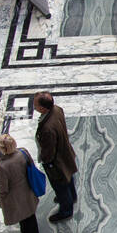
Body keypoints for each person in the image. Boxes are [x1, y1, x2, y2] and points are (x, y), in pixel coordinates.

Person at [32, 91, 78, 222]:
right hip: (65, 153)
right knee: (68, 176)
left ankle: (66, 210)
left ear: (43, 108)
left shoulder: (47, 129)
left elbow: (49, 151)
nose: (34, 107)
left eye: (35, 105)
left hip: (57, 162)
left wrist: (46, 162)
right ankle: (72, 196)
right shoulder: (57, 109)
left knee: (60, 186)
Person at [0, 134, 40, 233]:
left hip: (15, 195)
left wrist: (1, 198)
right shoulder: (23, 152)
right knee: (30, 213)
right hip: (28, 189)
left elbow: (4, 186)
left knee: (23, 214)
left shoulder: (3, 165)